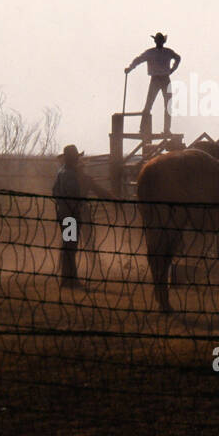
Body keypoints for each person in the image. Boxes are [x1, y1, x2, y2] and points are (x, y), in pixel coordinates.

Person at [52, 144, 114, 289]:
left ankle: (68, 278)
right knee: (70, 246)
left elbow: (54, 192)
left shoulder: (61, 172)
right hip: (71, 216)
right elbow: (94, 192)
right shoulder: (74, 176)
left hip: (65, 214)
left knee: (69, 246)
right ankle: (69, 280)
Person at [125, 32, 181, 136]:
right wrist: (130, 67)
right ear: (157, 41)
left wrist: (172, 69)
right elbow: (138, 60)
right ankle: (145, 128)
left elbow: (178, 58)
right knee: (150, 104)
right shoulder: (157, 52)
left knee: (163, 105)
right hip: (158, 79)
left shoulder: (160, 52)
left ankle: (165, 129)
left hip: (163, 79)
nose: (159, 42)